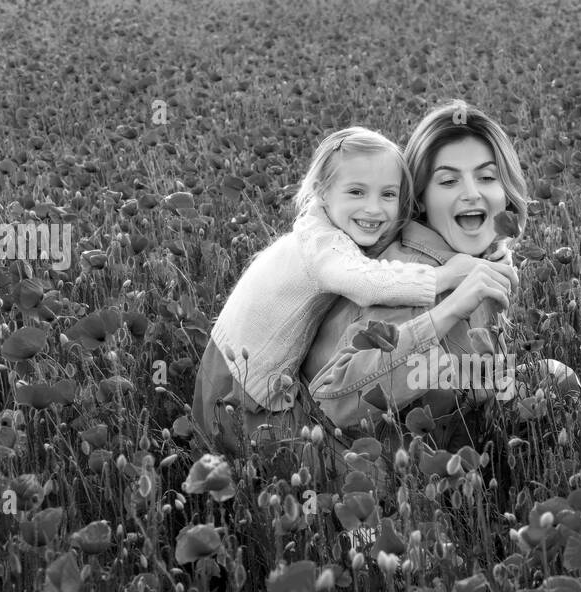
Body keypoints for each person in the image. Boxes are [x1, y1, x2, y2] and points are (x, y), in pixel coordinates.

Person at [192, 126, 501, 457]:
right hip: (237, 393)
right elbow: (369, 286)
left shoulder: (328, 230)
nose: (373, 209)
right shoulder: (328, 249)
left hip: (238, 373)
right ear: (323, 192)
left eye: (388, 195)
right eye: (356, 192)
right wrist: (445, 279)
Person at [308, 100, 580, 458]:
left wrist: (496, 379)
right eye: (449, 180)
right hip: (373, 480)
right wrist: (448, 313)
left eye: (486, 177)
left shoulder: (469, 264)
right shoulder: (408, 279)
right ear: (419, 198)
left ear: (506, 192)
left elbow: (453, 378)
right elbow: (332, 399)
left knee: (549, 378)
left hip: (444, 470)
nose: (471, 192)